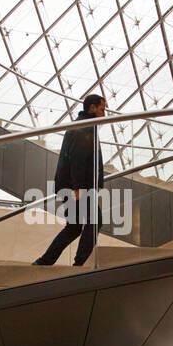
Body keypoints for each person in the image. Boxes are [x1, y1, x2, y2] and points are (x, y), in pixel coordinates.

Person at [34, 93, 106, 267]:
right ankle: (80, 263)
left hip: (72, 186)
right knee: (94, 221)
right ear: (92, 108)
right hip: (78, 188)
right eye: (102, 109)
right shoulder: (84, 128)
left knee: (74, 227)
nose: (104, 114)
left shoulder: (83, 126)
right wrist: (78, 188)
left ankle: (44, 262)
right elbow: (77, 159)